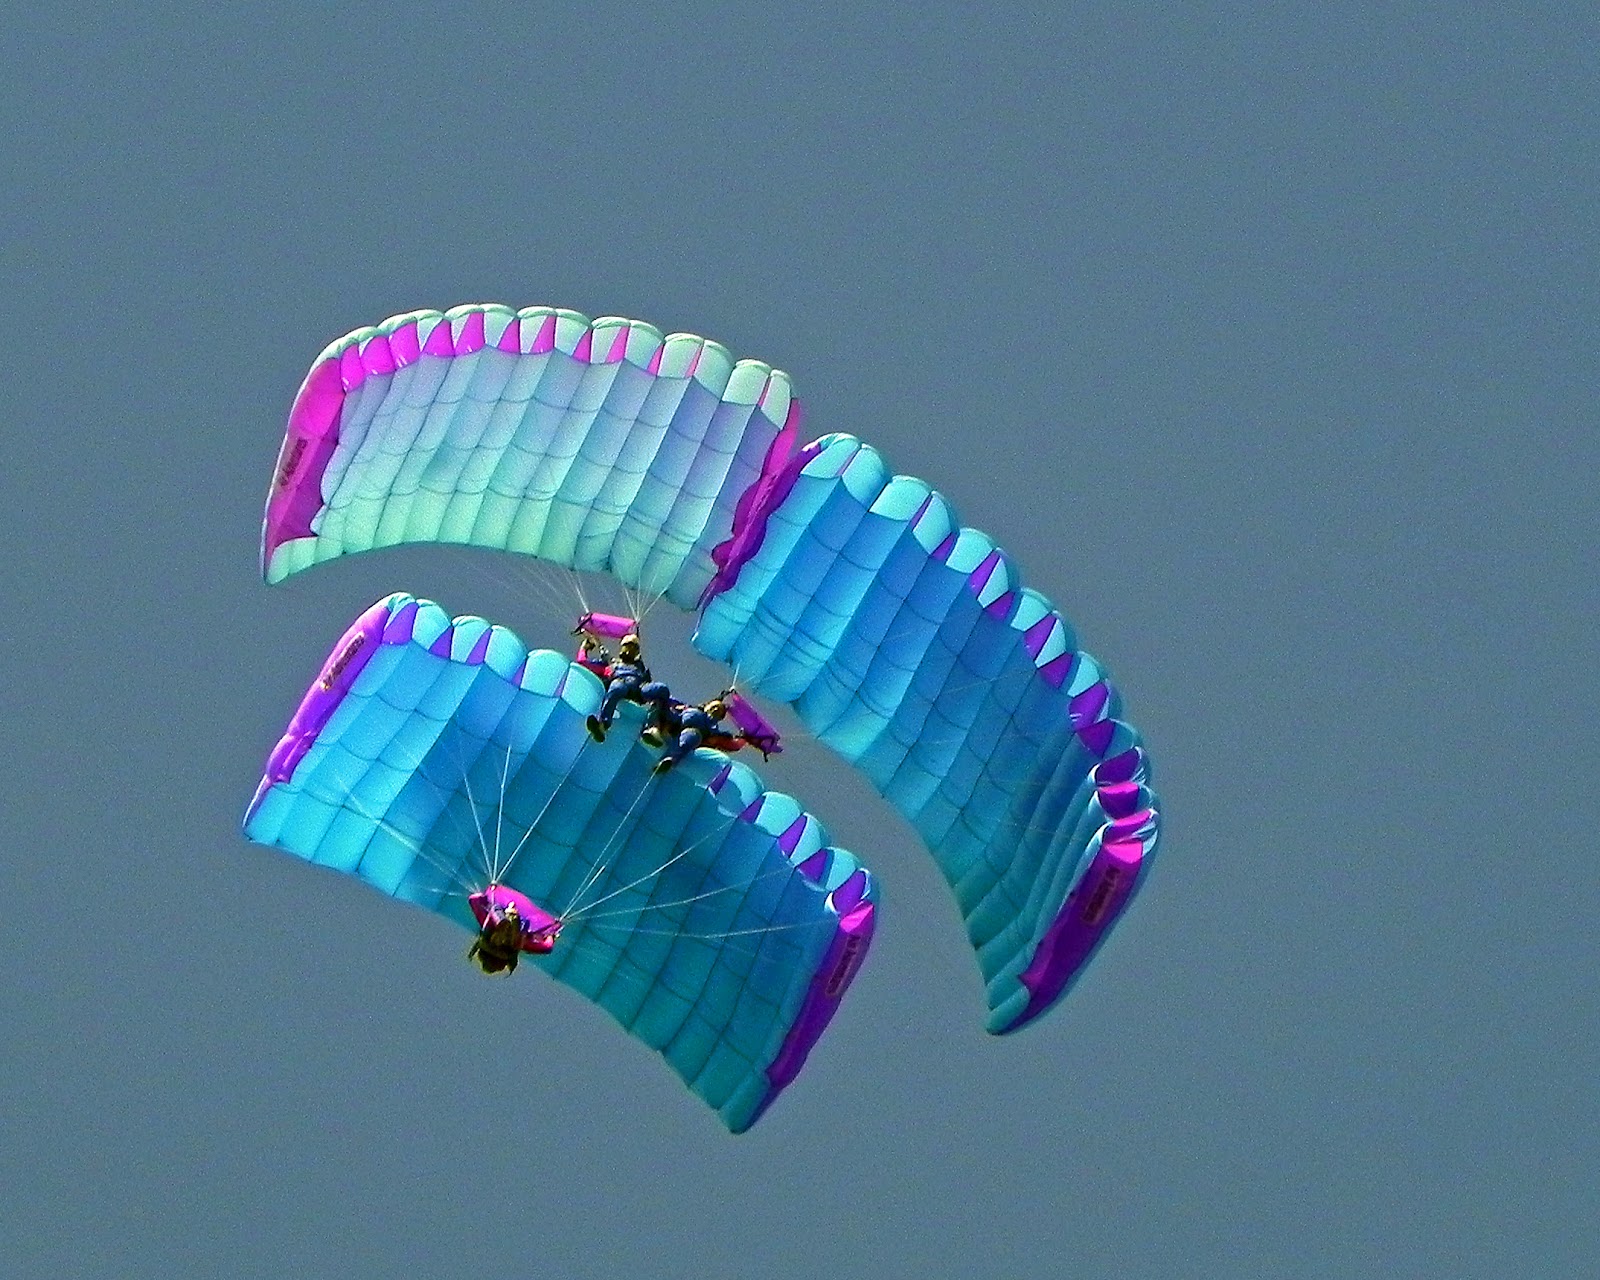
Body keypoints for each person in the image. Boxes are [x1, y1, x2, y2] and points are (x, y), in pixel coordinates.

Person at [586, 633, 672, 742]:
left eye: (632, 648)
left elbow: (648, 681)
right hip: (621, 685)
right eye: (627, 647)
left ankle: (654, 729)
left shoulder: (639, 666)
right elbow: (602, 650)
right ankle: (603, 724)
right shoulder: (614, 662)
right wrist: (593, 639)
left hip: (639, 689)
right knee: (616, 687)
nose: (629, 650)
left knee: (662, 689)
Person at [653, 696, 737, 774]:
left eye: (718, 711)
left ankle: (668, 761)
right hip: (675, 721)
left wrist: (739, 736)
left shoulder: (712, 728)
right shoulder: (688, 708)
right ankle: (652, 732)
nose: (715, 709)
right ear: (707, 705)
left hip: (686, 735)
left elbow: (725, 739)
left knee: (692, 735)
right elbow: (673, 702)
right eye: (714, 706)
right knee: (661, 705)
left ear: (719, 718)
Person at [468, 902, 557, 974]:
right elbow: (547, 947)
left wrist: (551, 934)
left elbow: (547, 947)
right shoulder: (517, 946)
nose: (504, 941)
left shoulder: (511, 951)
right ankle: (504, 918)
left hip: (508, 920)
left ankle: (503, 918)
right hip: (511, 924)